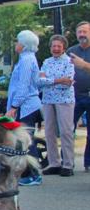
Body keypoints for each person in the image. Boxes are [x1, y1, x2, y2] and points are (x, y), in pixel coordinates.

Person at [6, 30, 42, 186]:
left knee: (26, 140)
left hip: (26, 105)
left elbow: (23, 85)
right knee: (26, 139)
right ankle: (29, 172)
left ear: (24, 44)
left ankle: (33, 174)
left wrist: (14, 106)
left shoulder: (26, 60)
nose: (16, 44)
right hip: (28, 104)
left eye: (18, 41)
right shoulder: (27, 59)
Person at [38, 34, 75, 177]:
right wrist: (58, 80)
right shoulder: (46, 62)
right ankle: (54, 163)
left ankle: (68, 164)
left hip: (65, 100)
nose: (56, 48)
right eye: (54, 46)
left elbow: (68, 82)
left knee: (66, 132)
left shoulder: (69, 61)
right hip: (47, 100)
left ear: (64, 47)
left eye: (59, 46)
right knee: (49, 132)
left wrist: (49, 80)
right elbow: (40, 81)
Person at [67, 21, 90, 172]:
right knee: (67, 130)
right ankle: (67, 162)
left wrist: (83, 65)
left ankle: (88, 163)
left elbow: (82, 66)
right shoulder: (71, 51)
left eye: (85, 32)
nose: (82, 35)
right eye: (79, 32)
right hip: (73, 96)